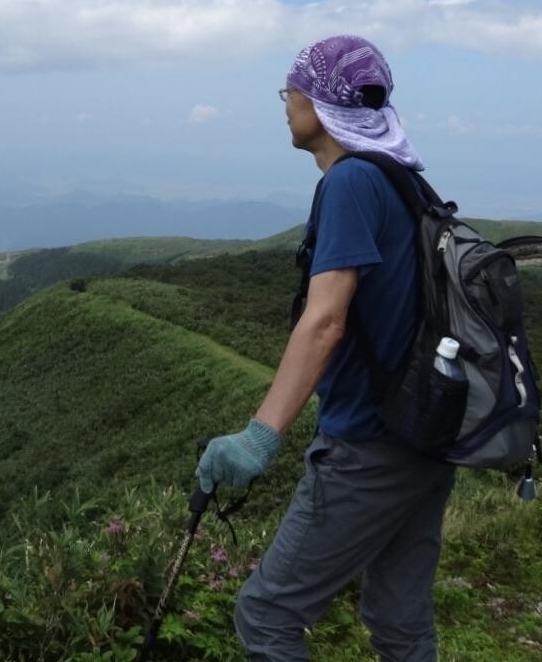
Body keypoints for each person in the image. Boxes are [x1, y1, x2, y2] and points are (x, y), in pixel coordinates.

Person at [195, 35, 456, 661]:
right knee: (399, 621)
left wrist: (259, 435)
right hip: (426, 437)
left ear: (321, 103)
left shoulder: (350, 183)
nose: (287, 105)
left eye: (293, 92)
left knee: (267, 615)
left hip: (368, 443)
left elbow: (325, 321)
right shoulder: (404, 180)